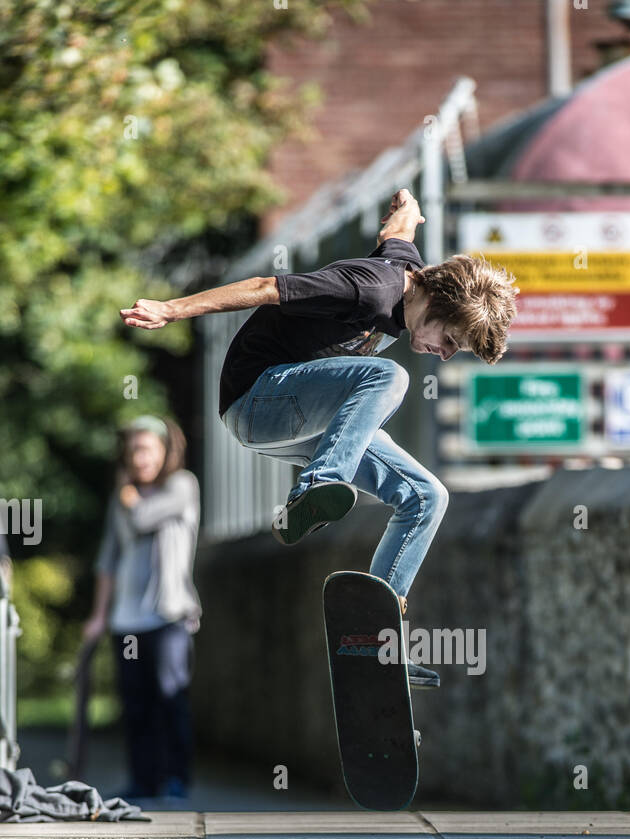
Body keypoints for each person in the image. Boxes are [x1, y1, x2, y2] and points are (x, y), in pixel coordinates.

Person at [119, 188, 519, 686]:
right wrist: (171, 310)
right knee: (388, 377)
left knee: (427, 496)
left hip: (302, 421)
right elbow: (267, 286)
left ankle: (377, 642)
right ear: (438, 301)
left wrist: (408, 208)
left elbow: (397, 234)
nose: (443, 354)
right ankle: (314, 487)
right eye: (451, 340)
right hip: (256, 399)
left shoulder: (409, 269)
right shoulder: (368, 288)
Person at [84, 415, 201, 802]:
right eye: (134, 449)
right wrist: (99, 616)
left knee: (170, 696)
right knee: (135, 705)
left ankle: (176, 778)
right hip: (126, 619)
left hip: (168, 614)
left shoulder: (181, 485)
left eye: (147, 448)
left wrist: (130, 499)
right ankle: (142, 781)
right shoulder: (123, 498)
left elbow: (144, 518)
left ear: (165, 450)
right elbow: (107, 559)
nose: (139, 456)